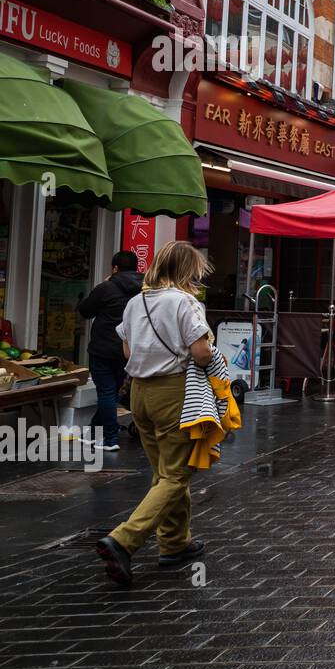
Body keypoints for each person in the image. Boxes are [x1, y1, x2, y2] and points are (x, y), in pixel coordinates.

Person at [94, 242, 215, 587]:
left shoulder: (135, 302)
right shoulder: (185, 302)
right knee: (177, 473)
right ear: (185, 270)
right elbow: (201, 353)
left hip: (139, 393)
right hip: (173, 391)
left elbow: (127, 348)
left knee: (163, 470)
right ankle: (123, 540)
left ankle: (174, 542)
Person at [77, 250, 144, 452]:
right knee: (111, 391)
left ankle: (109, 438)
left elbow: (85, 311)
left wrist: (105, 285)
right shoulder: (144, 289)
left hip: (103, 348)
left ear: (115, 268)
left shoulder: (107, 287)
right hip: (129, 349)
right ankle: (93, 433)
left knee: (106, 392)